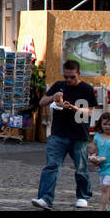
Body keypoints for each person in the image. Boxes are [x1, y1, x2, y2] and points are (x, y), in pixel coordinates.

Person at [31, 59, 97, 210]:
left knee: (81, 167)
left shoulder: (86, 89)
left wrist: (72, 107)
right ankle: (45, 198)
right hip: (58, 134)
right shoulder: (58, 86)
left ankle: (83, 196)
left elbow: (90, 112)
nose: (68, 80)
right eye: (66, 76)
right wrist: (53, 98)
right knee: (51, 166)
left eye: (72, 77)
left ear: (78, 74)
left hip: (79, 134)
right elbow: (42, 102)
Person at [87, 111, 110, 211]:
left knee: (105, 188)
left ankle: (101, 209)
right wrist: (93, 157)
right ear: (100, 124)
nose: (107, 126)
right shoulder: (97, 136)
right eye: (105, 124)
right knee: (107, 187)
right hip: (102, 166)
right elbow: (92, 149)